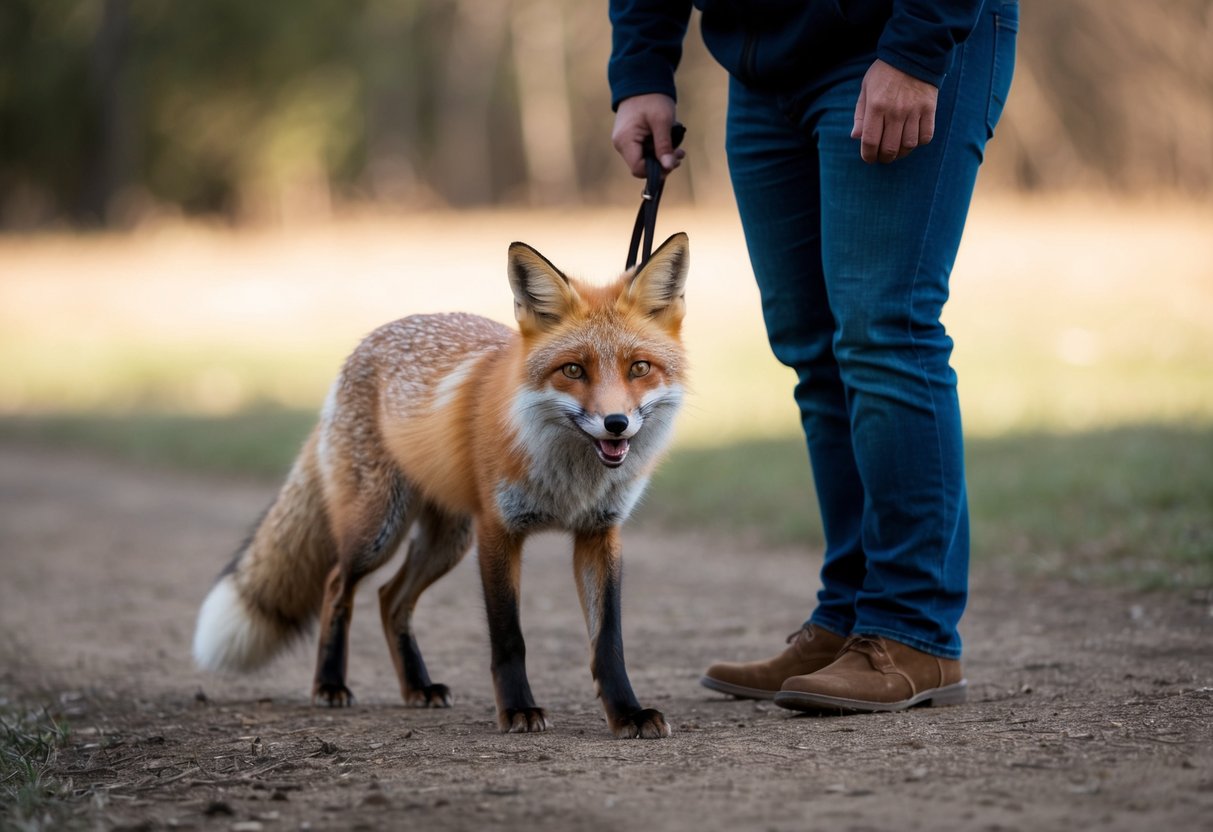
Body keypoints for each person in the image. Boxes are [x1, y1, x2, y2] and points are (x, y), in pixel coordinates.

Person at [609, 0, 1017, 712]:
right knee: (811, 343)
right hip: (762, 62)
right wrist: (641, 69)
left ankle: (912, 631)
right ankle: (848, 617)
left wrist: (917, 49)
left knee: (883, 330)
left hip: (895, 40)